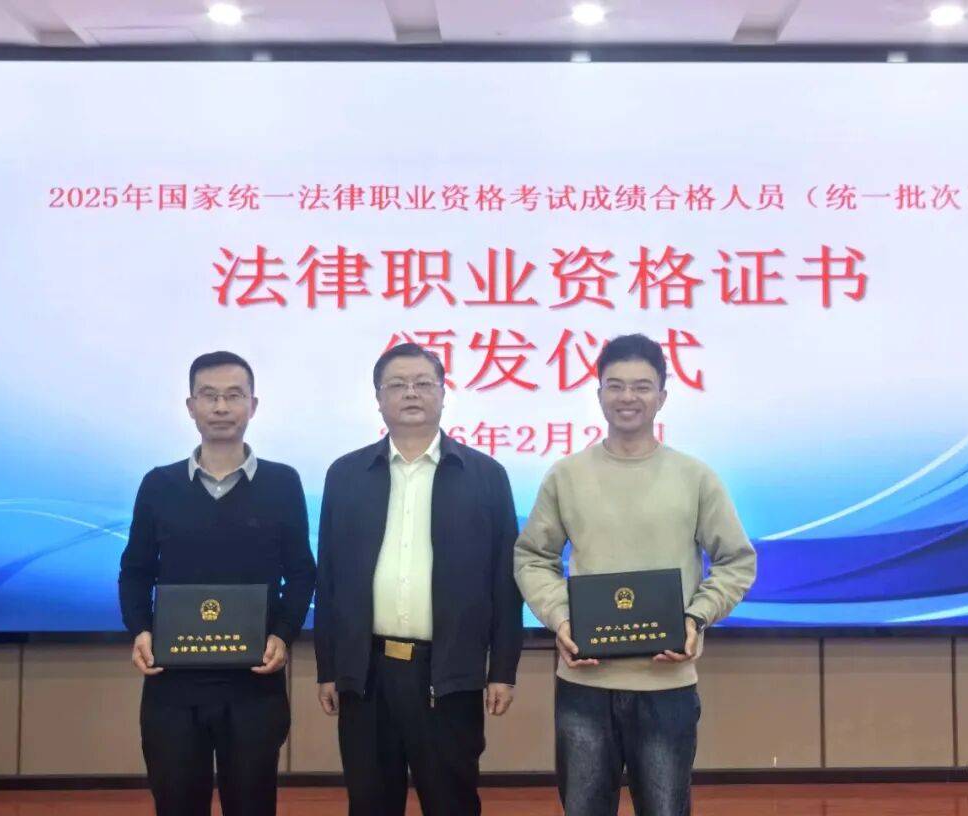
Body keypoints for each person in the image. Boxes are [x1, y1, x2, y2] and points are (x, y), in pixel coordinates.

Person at [514, 333, 757, 816]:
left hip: (666, 684)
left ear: (662, 396)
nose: (628, 397)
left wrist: (695, 618)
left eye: (642, 386)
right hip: (585, 682)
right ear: (599, 393)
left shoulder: (695, 477)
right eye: (616, 385)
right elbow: (533, 557)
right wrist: (561, 619)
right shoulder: (566, 475)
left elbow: (736, 561)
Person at [314, 342, 523, 816]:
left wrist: (503, 670)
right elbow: (329, 580)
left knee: (452, 801)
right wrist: (328, 668)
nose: (411, 393)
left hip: (447, 674)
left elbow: (504, 583)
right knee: (370, 803)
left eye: (423, 383)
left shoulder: (485, 476)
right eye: (397, 384)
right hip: (368, 674)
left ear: (443, 393)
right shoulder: (345, 475)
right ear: (378, 398)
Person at [119, 350, 316, 816]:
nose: (221, 407)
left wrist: (283, 634)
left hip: (254, 686)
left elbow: (302, 571)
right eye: (209, 396)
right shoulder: (159, 485)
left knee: (252, 804)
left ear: (253, 405)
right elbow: (136, 570)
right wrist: (140, 629)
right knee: (176, 803)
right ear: (191, 407)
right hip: (172, 686)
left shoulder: (282, 483)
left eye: (234, 395)